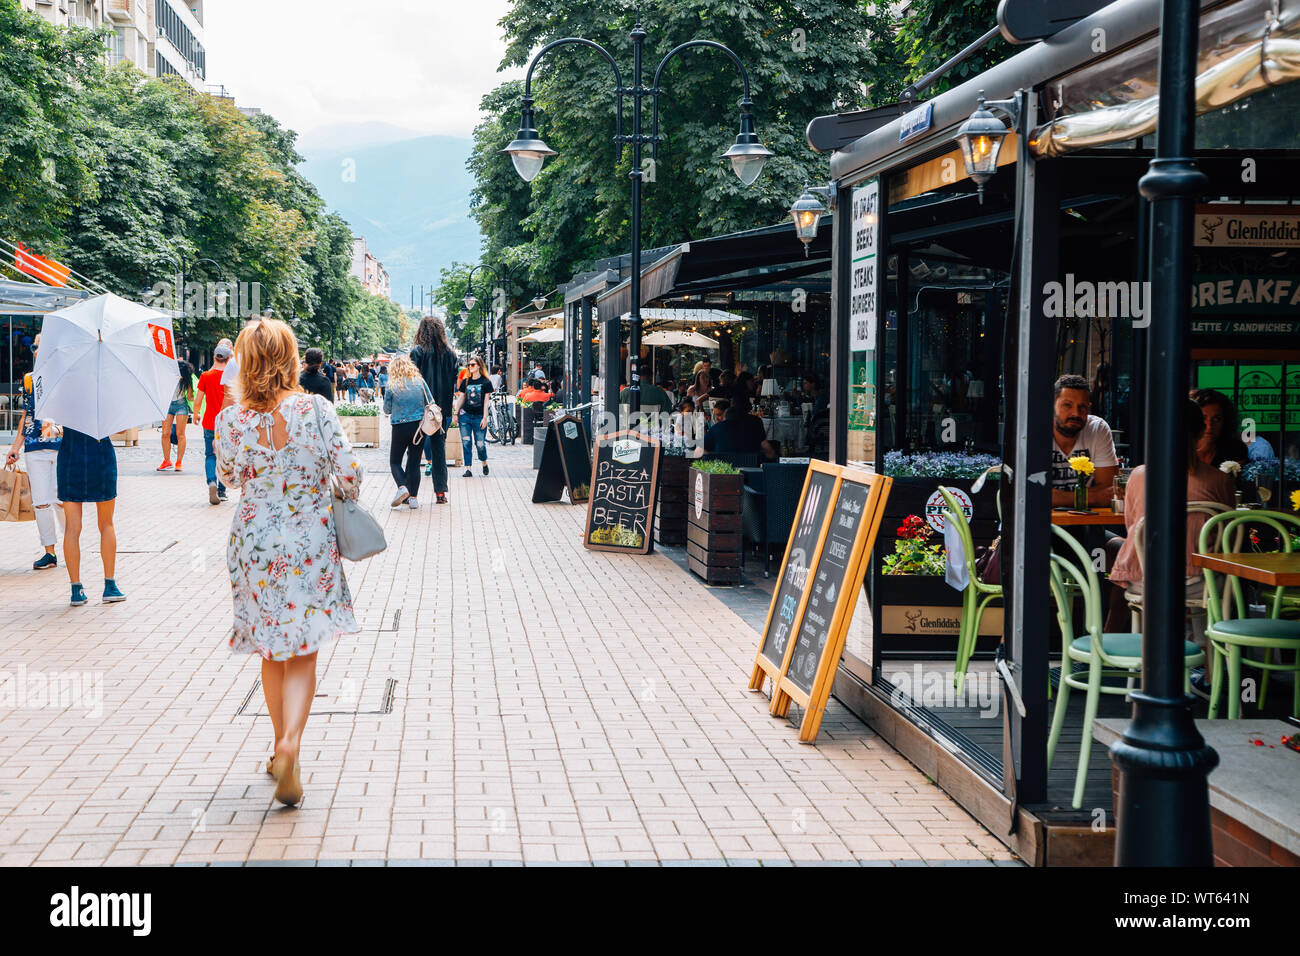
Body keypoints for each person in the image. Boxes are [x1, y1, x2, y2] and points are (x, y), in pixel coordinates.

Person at [215, 318, 362, 808]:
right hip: (308, 537)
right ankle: (291, 743)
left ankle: (280, 750)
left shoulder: (231, 418)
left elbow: (229, 476)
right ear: (290, 358)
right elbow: (349, 470)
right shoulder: (315, 407)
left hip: (253, 539)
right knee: (303, 649)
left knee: (271, 648)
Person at [1107, 400, 1235, 635]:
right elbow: (1228, 535)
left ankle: (1116, 640)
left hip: (1147, 581)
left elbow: (1133, 527)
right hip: (1200, 584)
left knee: (1119, 546)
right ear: (1199, 435)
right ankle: (1211, 661)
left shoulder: (1138, 476)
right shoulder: (1221, 480)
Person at [6, 333, 61, 569]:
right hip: (34, 447)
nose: (36, 350)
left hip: (61, 446)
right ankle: (49, 551)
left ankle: (71, 543)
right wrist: (15, 447)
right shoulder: (29, 379)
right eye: (34, 347)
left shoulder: (65, 377)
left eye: (41, 346)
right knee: (40, 501)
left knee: (61, 500)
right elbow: (27, 416)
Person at [57, 420, 123, 606]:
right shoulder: (104, 395)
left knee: (72, 528)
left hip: (70, 458)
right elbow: (121, 428)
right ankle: (109, 585)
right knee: (106, 524)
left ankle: (76, 590)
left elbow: (55, 426)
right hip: (101, 458)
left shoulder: (63, 395)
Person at [409, 316, 458, 504]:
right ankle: (440, 492)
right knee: (439, 451)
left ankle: (410, 492)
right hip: (442, 410)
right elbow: (454, 381)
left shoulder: (417, 352)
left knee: (414, 450)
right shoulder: (451, 354)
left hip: (420, 409)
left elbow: (412, 381)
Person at [1050, 373, 1118, 507]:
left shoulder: (1097, 428)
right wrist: (1093, 498)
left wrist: (1058, 497)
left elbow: (1109, 489)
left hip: (1087, 521)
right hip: (1041, 522)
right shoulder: (1035, 429)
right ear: (1052, 405)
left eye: (1082, 407)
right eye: (1067, 405)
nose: (1076, 413)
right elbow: (1033, 493)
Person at [383, 355, 429, 509]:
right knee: (414, 463)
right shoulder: (420, 382)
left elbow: (387, 409)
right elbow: (431, 401)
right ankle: (414, 499)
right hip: (419, 427)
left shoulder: (392, 385)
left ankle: (402, 487)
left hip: (400, 427)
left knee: (395, 461)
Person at [198, 343, 234, 505]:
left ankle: (211, 481)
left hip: (209, 422)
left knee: (210, 454)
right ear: (229, 360)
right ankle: (222, 489)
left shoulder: (206, 376)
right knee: (224, 456)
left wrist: (197, 414)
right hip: (226, 422)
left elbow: (198, 400)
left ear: (214, 357)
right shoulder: (231, 378)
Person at [454, 355, 494, 477]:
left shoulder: (486, 382)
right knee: (466, 442)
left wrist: (485, 417)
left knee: (480, 444)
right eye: (469, 365)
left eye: (472, 365)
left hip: (478, 417)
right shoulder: (466, 381)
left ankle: (484, 463)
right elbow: (461, 398)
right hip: (465, 416)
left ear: (479, 366)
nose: (470, 367)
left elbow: (486, 401)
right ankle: (468, 469)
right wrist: (456, 413)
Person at [1189, 388, 1249, 468]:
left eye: (1217, 419)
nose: (1209, 425)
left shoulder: (1235, 449)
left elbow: (1234, 480)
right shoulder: (1178, 448)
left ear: (1226, 421)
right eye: (1203, 418)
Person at [158, 359, 194, 472]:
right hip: (167, 405)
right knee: (165, 433)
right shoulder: (168, 377)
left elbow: (189, 397)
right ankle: (166, 460)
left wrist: (193, 395)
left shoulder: (187, 380)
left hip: (181, 405)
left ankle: (179, 462)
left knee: (180, 434)